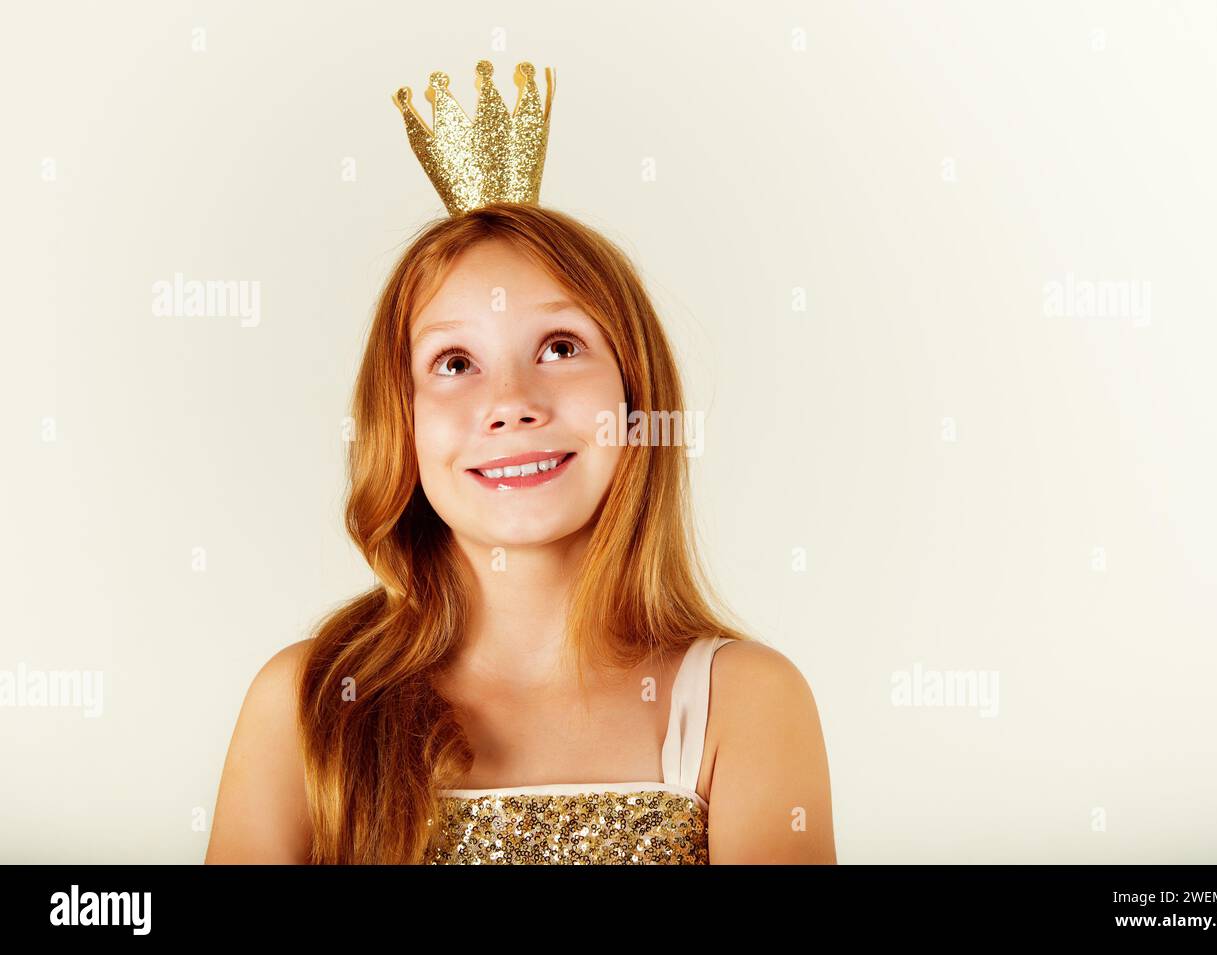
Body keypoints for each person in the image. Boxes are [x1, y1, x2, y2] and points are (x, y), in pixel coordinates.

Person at [205, 60, 835, 865]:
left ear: (637, 400)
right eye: (455, 363)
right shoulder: (306, 707)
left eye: (560, 346)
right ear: (400, 424)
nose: (511, 401)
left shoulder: (741, 703)